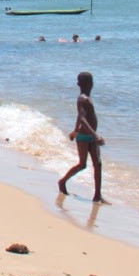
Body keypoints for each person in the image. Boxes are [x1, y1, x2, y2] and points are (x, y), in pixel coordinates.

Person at [57, 71, 105, 202]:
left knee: (98, 164)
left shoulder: (84, 98)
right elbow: (83, 119)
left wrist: (74, 130)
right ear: (91, 84)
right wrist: (95, 135)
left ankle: (97, 195)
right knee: (83, 164)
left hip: (87, 135)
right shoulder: (83, 99)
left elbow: (79, 116)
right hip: (85, 137)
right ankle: (62, 181)